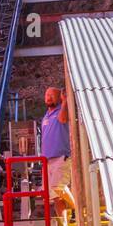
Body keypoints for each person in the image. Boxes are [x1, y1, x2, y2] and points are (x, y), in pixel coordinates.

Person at [42, 87, 76, 216]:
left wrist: (65, 102)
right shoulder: (46, 115)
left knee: (58, 187)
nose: (48, 97)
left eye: (52, 95)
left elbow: (63, 120)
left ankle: (77, 209)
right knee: (55, 197)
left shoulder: (61, 110)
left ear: (59, 97)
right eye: (46, 95)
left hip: (61, 157)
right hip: (47, 160)